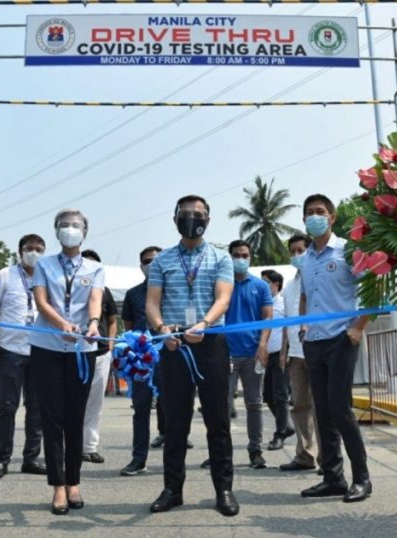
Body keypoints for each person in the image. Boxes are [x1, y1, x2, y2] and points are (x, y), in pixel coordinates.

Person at [146, 194, 238, 517]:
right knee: (174, 423)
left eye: (198, 214)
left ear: (208, 220)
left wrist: (205, 322)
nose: (192, 218)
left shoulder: (220, 258)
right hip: (174, 346)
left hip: (210, 343)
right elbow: (152, 303)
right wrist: (161, 329)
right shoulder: (162, 261)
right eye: (186, 214)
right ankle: (173, 489)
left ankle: (223, 489)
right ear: (175, 219)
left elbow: (223, 298)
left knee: (217, 421)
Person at [29, 208, 104, 515]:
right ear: (56, 230)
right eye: (64, 225)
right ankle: (58, 485)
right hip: (47, 347)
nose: (70, 229)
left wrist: (95, 323)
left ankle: (74, 481)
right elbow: (41, 301)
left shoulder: (94, 268)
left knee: (76, 417)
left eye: (75, 225)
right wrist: (61, 324)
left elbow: (95, 300)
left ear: (84, 232)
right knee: (52, 418)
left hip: (81, 351)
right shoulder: (43, 265)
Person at [298, 194, 372, 502]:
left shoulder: (348, 250)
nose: (314, 217)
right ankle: (332, 477)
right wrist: (302, 325)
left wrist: (358, 328)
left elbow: (371, 291)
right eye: (309, 213)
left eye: (320, 212)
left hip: (342, 339)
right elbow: (304, 296)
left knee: (341, 409)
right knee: (323, 411)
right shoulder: (304, 259)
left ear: (332, 216)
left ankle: (362, 478)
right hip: (313, 342)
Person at [120, 245, 193, 475]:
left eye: (155, 259)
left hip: (171, 354)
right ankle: (138, 458)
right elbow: (129, 327)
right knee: (141, 408)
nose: (151, 263)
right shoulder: (133, 294)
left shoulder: (176, 289)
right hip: (143, 359)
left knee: (173, 409)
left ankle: (172, 461)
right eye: (146, 260)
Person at [0, 234, 46, 479]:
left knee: (37, 408)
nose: (34, 253)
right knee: (8, 406)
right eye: (29, 248)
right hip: (10, 350)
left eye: (39, 249)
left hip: (39, 350)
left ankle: (31, 458)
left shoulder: (46, 278)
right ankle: (1, 460)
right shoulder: (5, 275)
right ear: (20, 252)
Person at [223, 239, 273, 470]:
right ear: (229, 256)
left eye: (244, 255)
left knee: (254, 404)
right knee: (222, 404)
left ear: (250, 257)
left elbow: (267, 317)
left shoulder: (261, 286)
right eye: (236, 255)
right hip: (227, 354)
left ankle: (256, 451)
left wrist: (262, 345)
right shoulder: (222, 285)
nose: (240, 259)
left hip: (253, 353)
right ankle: (221, 451)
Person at [279, 233, 321, 472]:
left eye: (300, 250)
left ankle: (328, 460)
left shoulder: (317, 276)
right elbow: (286, 321)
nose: (296, 255)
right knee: (299, 406)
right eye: (293, 251)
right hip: (296, 354)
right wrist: (284, 351)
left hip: (316, 349)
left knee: (321, 406)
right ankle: (305, 455)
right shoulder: (289, 285)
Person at [80, 249, 117, 465]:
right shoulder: (69, 290)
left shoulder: (105, 291)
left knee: (95, 403)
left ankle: (90, 447)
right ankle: (73, 446)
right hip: (75, 353)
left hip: (101, 352)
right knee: (75, 402)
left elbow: (112, 320)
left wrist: (110, 346)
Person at [261, 269, 295, 451]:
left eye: (266, 282)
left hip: (282, 353)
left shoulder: (283, 303)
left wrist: (285, 351)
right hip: (267, 355)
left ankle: (280, 433)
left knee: (281, 395)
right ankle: (287, 427)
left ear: (276, 284)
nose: (263, 285)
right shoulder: (263, 304)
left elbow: (288, 329)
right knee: (268, 396)